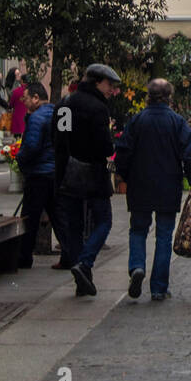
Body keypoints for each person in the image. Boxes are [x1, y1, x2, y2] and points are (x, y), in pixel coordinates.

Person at [114, 78, 191, 302]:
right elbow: (190, 153)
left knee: (138, 230)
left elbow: (123, 150)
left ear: (148, 96)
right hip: (167, 184)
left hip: (140, 184)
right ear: (169, 97)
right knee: (163, 235)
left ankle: (136, 267)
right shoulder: (176, 122)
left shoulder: (137, 120)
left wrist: (123, 174)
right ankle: (159, 287)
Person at [53, 63, 121, 296]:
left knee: (73, 226)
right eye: (109, 85)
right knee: (104, 221)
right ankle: (85, 262)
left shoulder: (66, 104)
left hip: (69, 172)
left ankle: (82, 280)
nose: (111, 90)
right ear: (96, 82)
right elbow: (104, 146)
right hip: (93, 172)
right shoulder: (99, 108)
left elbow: (59, 140)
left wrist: (62, 169)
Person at [17, 82, 61, 269]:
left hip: (38, 174)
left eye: (25, 98)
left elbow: (31, 147)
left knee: (29, 217)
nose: (24, 102)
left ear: (36, 98)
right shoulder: (58, 114)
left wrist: (20, 159)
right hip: (55, 173)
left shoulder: (36, 118)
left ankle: (24, 257)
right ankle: (70, 253)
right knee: (58, 217)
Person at [6, 67, 27, 145]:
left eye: (19, 73)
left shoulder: (21, 85)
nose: (19, 75)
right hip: (15, 108)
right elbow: (11, 95)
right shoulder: (11, 86)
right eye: (17, 74)